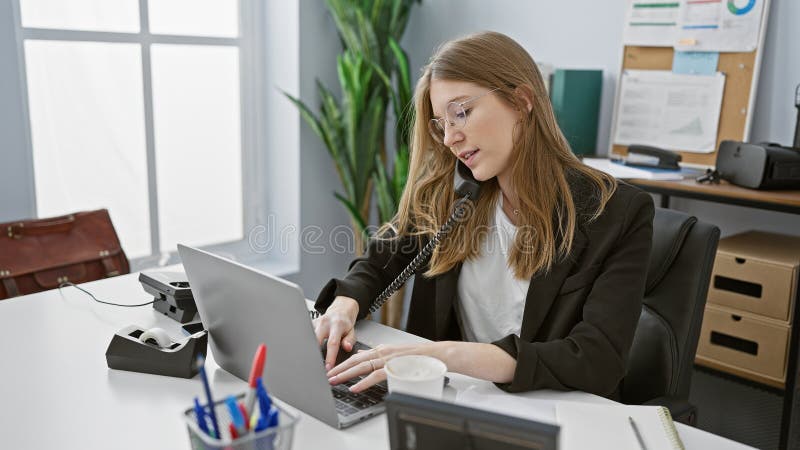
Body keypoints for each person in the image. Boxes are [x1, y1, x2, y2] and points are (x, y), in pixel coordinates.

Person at [312, 31, 654, 400]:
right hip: (454, 401)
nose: (449, 138)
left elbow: (597, 359)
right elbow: (381, 259)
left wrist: (446, 355)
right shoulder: (453, 194)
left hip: (549, 408)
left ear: (522, 101)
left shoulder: (617, 213)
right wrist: (344, 306)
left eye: (461, 113)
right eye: (442, 124)